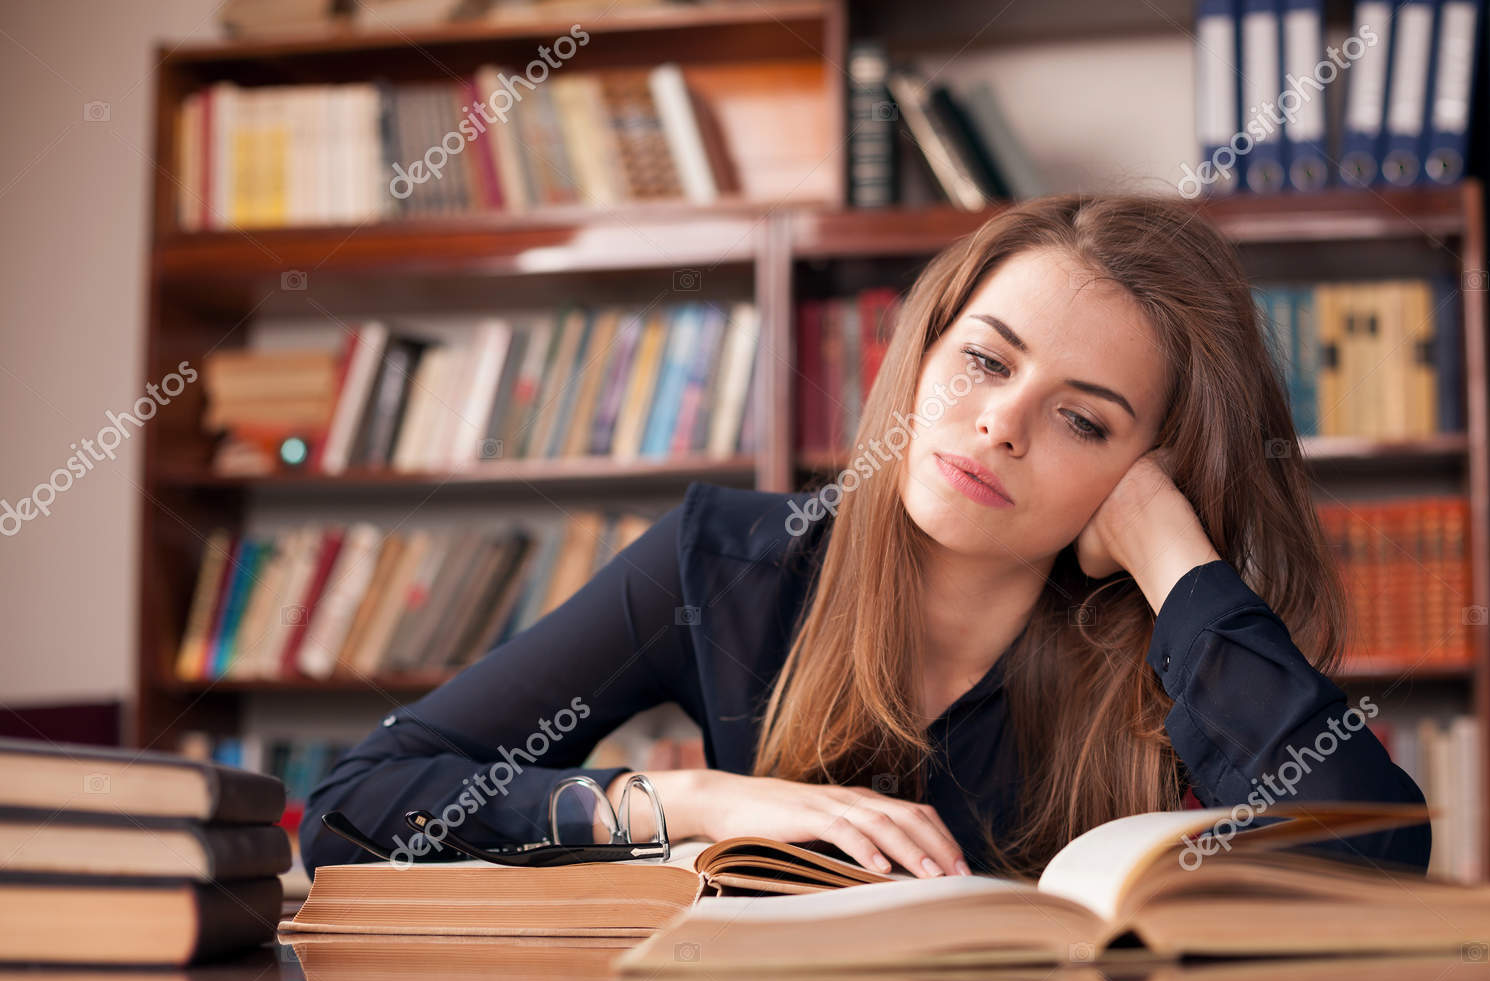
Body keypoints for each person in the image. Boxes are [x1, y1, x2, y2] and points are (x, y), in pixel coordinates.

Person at [301, 194, 1430, 880]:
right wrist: (688, 805)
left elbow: (1368, 860)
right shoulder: (732, 565)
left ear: (1146, 469)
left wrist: (1170, 551)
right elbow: (357, 810)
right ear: (923, 354)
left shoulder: (1169, 635)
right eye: (985, 362)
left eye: (1082, 419)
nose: (999, 423)